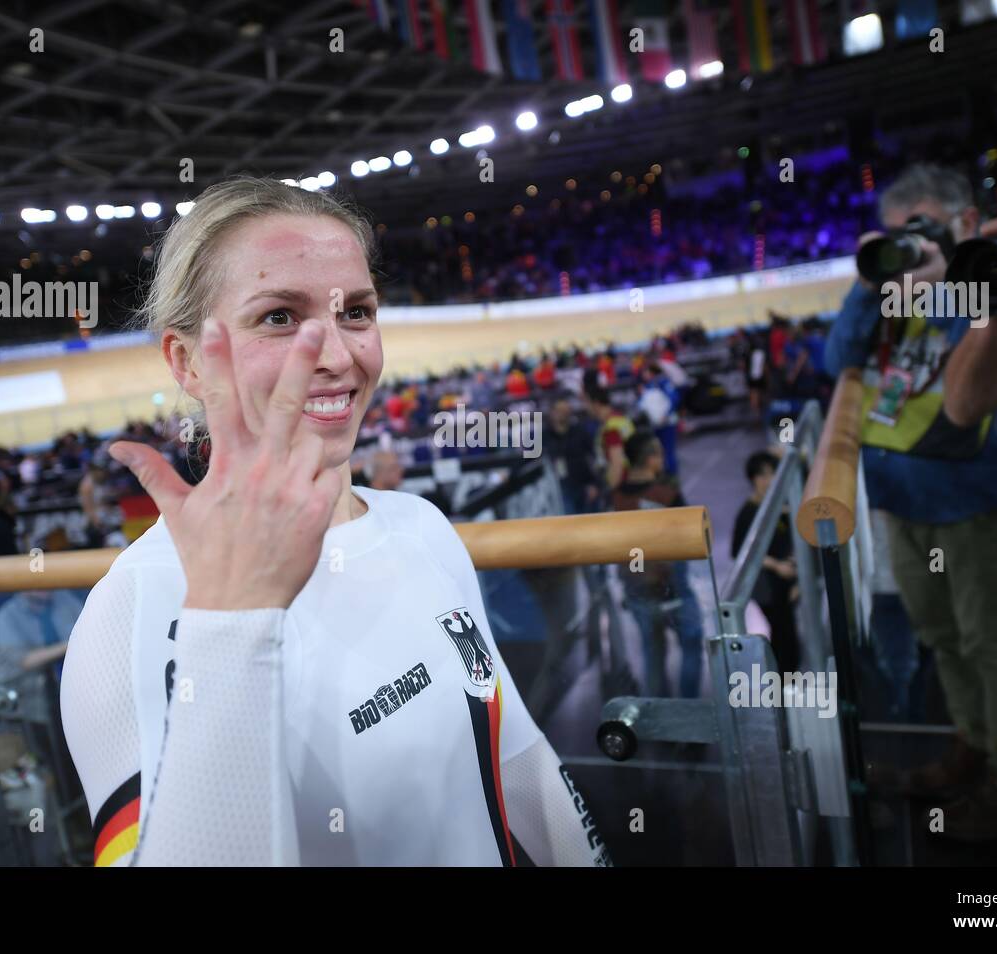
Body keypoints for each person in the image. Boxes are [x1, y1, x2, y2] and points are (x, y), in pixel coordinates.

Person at [61, 176, 611, 867]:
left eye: (356, 311)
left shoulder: (421, 529)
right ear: (187, 361)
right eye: (279, 318)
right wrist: (234, 619)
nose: (337, 355)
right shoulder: (129, 614)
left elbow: (520, 758)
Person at [824, 163, 997, 841]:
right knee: (942, 639)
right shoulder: (893, 293)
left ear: (966, 223)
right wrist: (871, 287)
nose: (910, 244)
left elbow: (979, 369)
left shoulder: (986, 281)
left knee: (995, 644)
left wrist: (951, 277)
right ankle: (972, 749)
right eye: (900, 233)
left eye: (923, 227)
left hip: (971, 500)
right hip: (903, 500)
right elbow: (837, 360)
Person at [609, 430, 704, 698]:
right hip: (673, 587)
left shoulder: (616, 498)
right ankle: (689, 718)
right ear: (651, 459)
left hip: (636, 588)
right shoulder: (666, 493)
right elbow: (689, 535)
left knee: (652, 655)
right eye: (660, 453)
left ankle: (660, 723)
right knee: (691, 645)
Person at [729, 451, 799, 673]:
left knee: (788, 636)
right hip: (768, 587)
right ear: (752, 479)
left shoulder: (778, 507)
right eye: (761, 475)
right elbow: (740, 553)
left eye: (772, 474)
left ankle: (787, 686)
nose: (767, 481)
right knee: (783, 638)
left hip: (786, 582)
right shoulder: (748, 513)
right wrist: (777, 566)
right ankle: (783, 691)